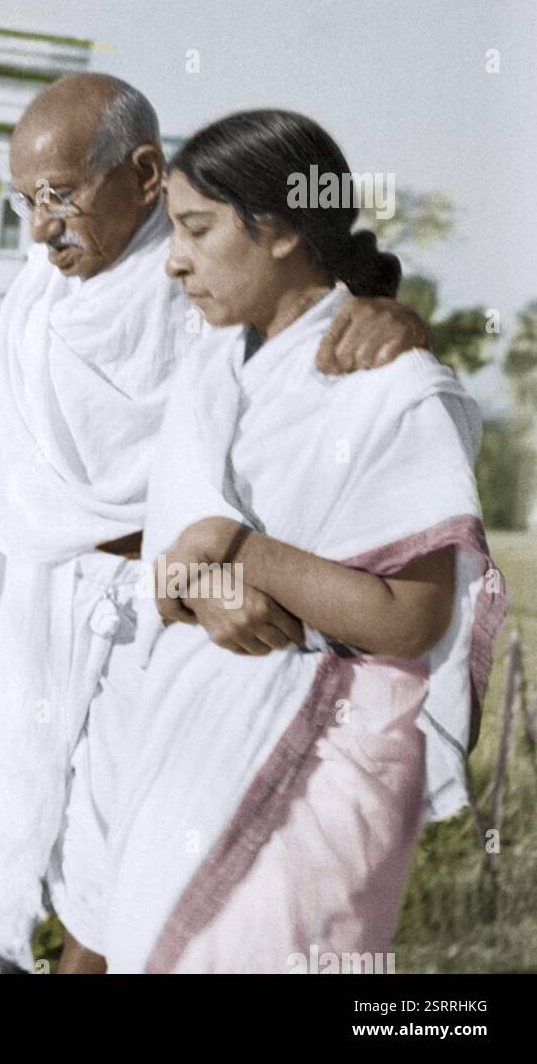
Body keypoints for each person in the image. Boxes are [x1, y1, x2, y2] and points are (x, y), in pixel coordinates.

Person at [0, 75, 433, 974]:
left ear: (146, 172)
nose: (41, 230)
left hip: (196, 621)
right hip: (49, 614)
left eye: (59, 197)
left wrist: (391, 320)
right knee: (22, 873)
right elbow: (15, 496)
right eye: (23, 205)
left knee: (148, 880)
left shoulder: (216, 284)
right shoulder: (33, 306)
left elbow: (284, 404)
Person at [80, 109, 508, 973]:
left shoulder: (392, 387)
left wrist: (237, 547)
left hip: (319, 766)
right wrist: (193, 580)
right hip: (186, 747)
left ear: (276, 230)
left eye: (198, 230)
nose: (173, 259)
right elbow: (168, 556)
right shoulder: (208, 375)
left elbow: (410, 620)